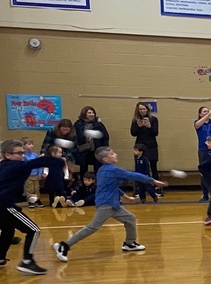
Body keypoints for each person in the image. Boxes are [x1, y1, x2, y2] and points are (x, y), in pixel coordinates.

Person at [53, 146, 167, 263]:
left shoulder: (102, 170)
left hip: (113, 205)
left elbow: (113, 187)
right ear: (106, 159)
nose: (115, 154)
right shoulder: (113, 170)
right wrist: (152, 180)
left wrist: (126, 198)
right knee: (92, 227)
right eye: (112, 154)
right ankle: (64, 246)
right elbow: (132, 175)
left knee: (130, 219)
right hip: (106, 205)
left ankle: (129, 243)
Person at [1, 139, 66, 274]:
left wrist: (24, 197)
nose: (22, 156)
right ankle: (27, 262)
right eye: (18, 153)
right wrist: (58, 160)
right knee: (34, 230)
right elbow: (35, 163)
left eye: (23, 153)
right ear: (7, 155)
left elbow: (8, 186)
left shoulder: (4, 166)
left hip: (4, 203)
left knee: (8, 230)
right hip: (4, 205)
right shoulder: (14, 166)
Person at [129, 103, 160, 192]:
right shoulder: (135, 120)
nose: (142, 111)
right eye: (140, 109)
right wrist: (138, 126)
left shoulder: (153, 119)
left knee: (153, 167)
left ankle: (157, 188)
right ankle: (139, 189)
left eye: (144, 109)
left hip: (151, 146)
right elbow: (133, 133)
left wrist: (149, 126)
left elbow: (155, 133)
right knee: (139, 168)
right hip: (140, 146)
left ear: (147, 110)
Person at [74, 106, 110, 176]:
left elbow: (105, 136)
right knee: (83, 168)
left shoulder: (99, 124)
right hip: (83, 150)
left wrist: (104, 149)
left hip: (96, 150)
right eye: (89, 113)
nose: (92, 114)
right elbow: (75, 136)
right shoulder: (78, 124)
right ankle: (83, 183)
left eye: (93, 112)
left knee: (98, 168)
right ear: (84, 114)